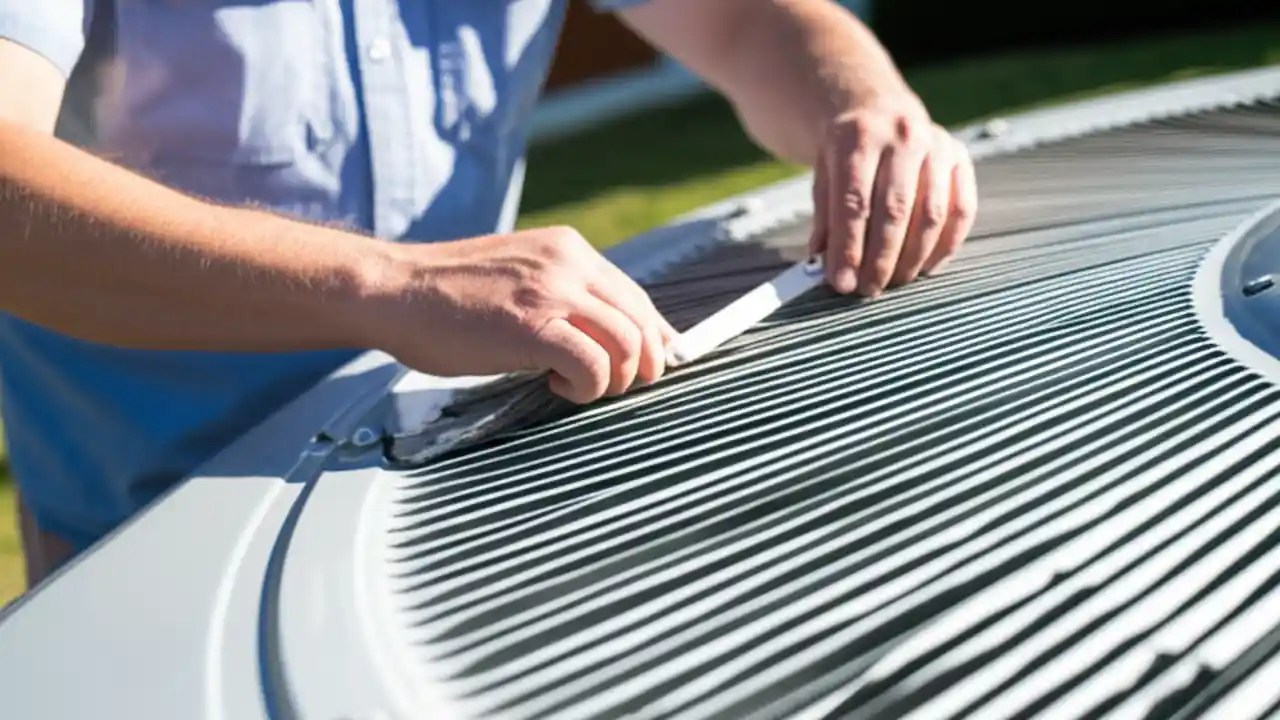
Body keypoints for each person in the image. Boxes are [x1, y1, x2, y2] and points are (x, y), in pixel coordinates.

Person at [0, 0, 977, 585]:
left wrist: (860, 104)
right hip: (149, 547)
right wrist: (387, 285)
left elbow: (741, 18)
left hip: (464, 498)